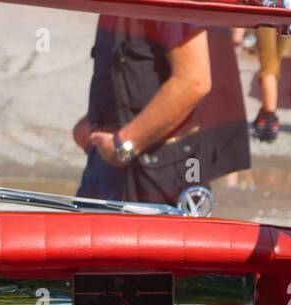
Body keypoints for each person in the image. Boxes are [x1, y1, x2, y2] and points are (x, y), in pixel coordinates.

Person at [73, 16, 250, 205]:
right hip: (112, 157)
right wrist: (93, 119)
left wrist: (125, 144)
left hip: (157, 169)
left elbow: (193, 82)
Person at [251, 27, 291, 142]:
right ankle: (265, 113)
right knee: (275, 61)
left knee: (268, 63)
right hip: (288, 18)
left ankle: (268, 117)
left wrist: (238, 32)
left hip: (266, 18)